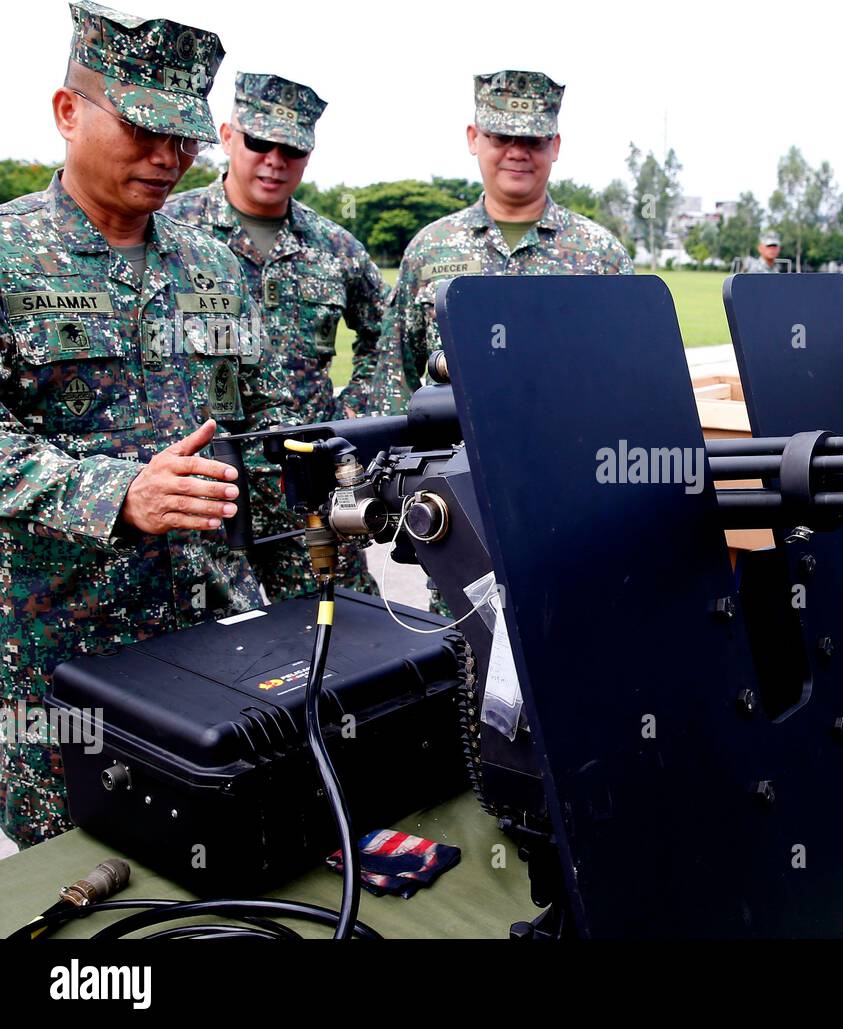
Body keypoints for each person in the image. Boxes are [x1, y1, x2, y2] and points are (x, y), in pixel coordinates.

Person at [0, 1, 291, 848]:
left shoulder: (212, 263)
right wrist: (117, 491)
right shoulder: (9, 255)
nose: (169, 157)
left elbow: (263, 423)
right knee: (77, 880)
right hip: (63, 655)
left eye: (186, 136)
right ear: (66, 111)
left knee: (213, 854)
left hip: (210, 634)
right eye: (142, 128)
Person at [167, 73, 385, 600]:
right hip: (203, 487)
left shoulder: (335, 247)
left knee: (346, 631)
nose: (274, 160)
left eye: (292, 149)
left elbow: (387, 342)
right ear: (225, 136)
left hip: (306, 485)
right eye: (259, 142)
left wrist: (349, 418)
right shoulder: (171, 229)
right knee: (215, 654)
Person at [376, 69, 633, 415]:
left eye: (533, 140)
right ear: (473, 138)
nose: (517, 153)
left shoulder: (602, 257)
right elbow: (395, 381)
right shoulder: (428, 250)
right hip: (452, 463)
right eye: (500, 137)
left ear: (554, 146)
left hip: (568, 456)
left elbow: (631, 378)